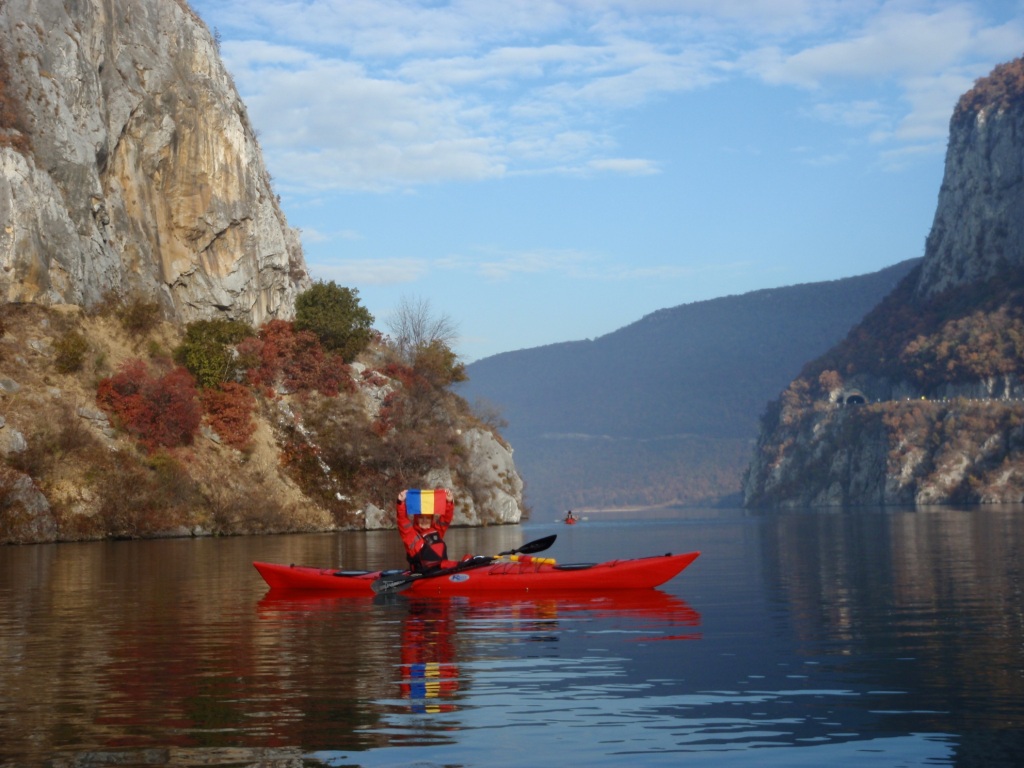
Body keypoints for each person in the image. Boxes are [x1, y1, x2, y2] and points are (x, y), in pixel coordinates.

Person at [396, 488, 457, 573]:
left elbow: (446, 519)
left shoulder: (437, 531)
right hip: (423, 575)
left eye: (428, 518)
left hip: (442, 571)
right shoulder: (411, 535)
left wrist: (449, 502)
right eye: (421, 517)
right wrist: (400, 503)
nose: (424, 520)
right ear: (416, 519)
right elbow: (402, 520)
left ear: (431, 519)